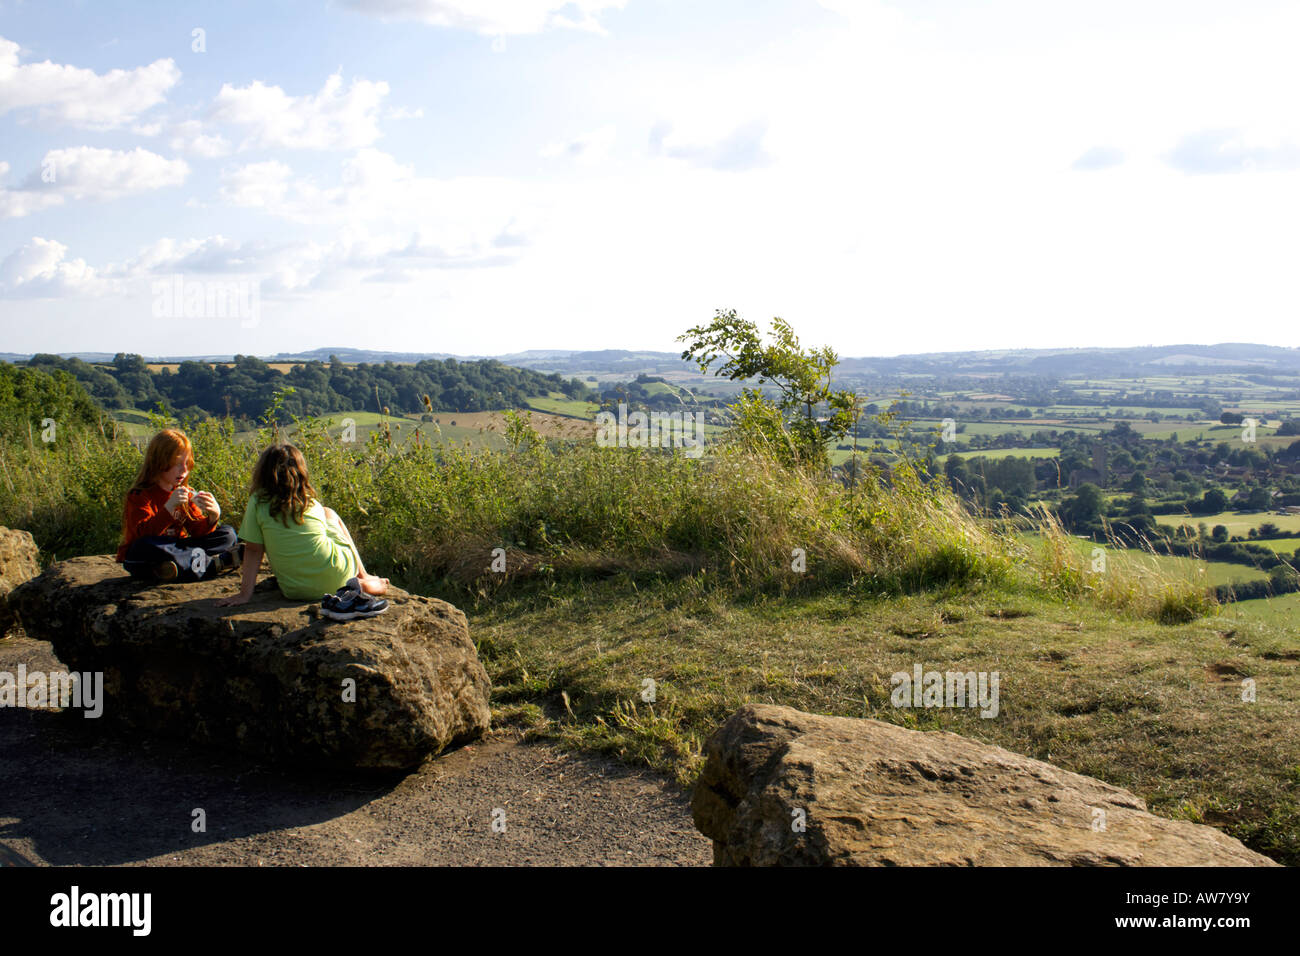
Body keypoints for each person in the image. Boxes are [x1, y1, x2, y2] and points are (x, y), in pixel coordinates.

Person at [216, 443, 389, 613]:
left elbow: (254, 550)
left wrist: (244, 595)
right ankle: (363, 577)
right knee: (330, 513)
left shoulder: (258, 501)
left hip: (295, 590)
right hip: (337, 574)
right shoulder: (310, 502)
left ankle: (359, 583)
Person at [116, 428, 240, 581]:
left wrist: (213, 516)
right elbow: (143, 534)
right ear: (159, 462)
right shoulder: (139, 495)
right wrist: (169, 508)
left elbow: (197, 532)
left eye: (187, 464)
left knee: (228, 534)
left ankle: (173, 568)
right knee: (143, 547)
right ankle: (211, 564)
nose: (184, 470)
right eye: (177, 464)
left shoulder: (184, 492)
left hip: (180, 549)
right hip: (151, 552)